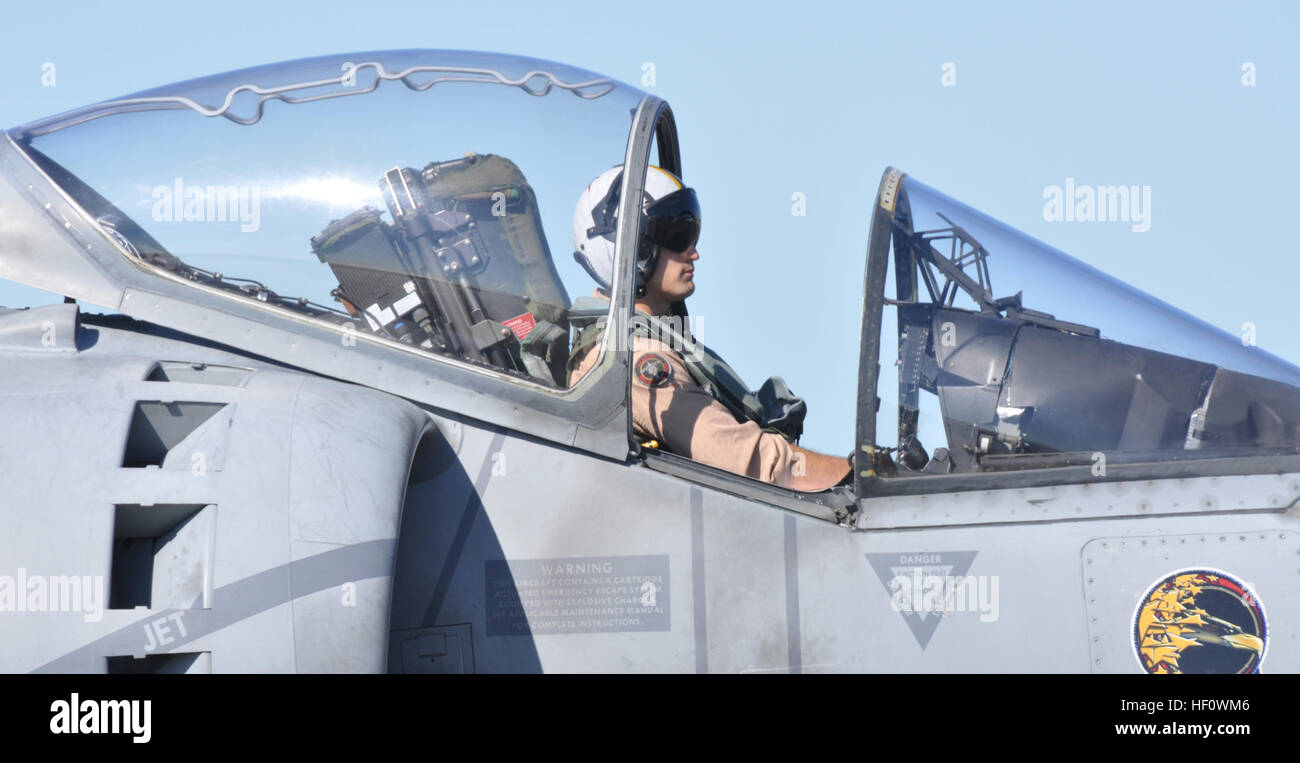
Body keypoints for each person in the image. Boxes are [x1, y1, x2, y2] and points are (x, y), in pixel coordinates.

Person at [568, 165, 851, 492]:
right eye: (677, 237)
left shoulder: (647, 342)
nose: (694, 252)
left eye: (692, 236)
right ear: (629, 248)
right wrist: (856, 475)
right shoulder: (630, 359)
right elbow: (747, 459)